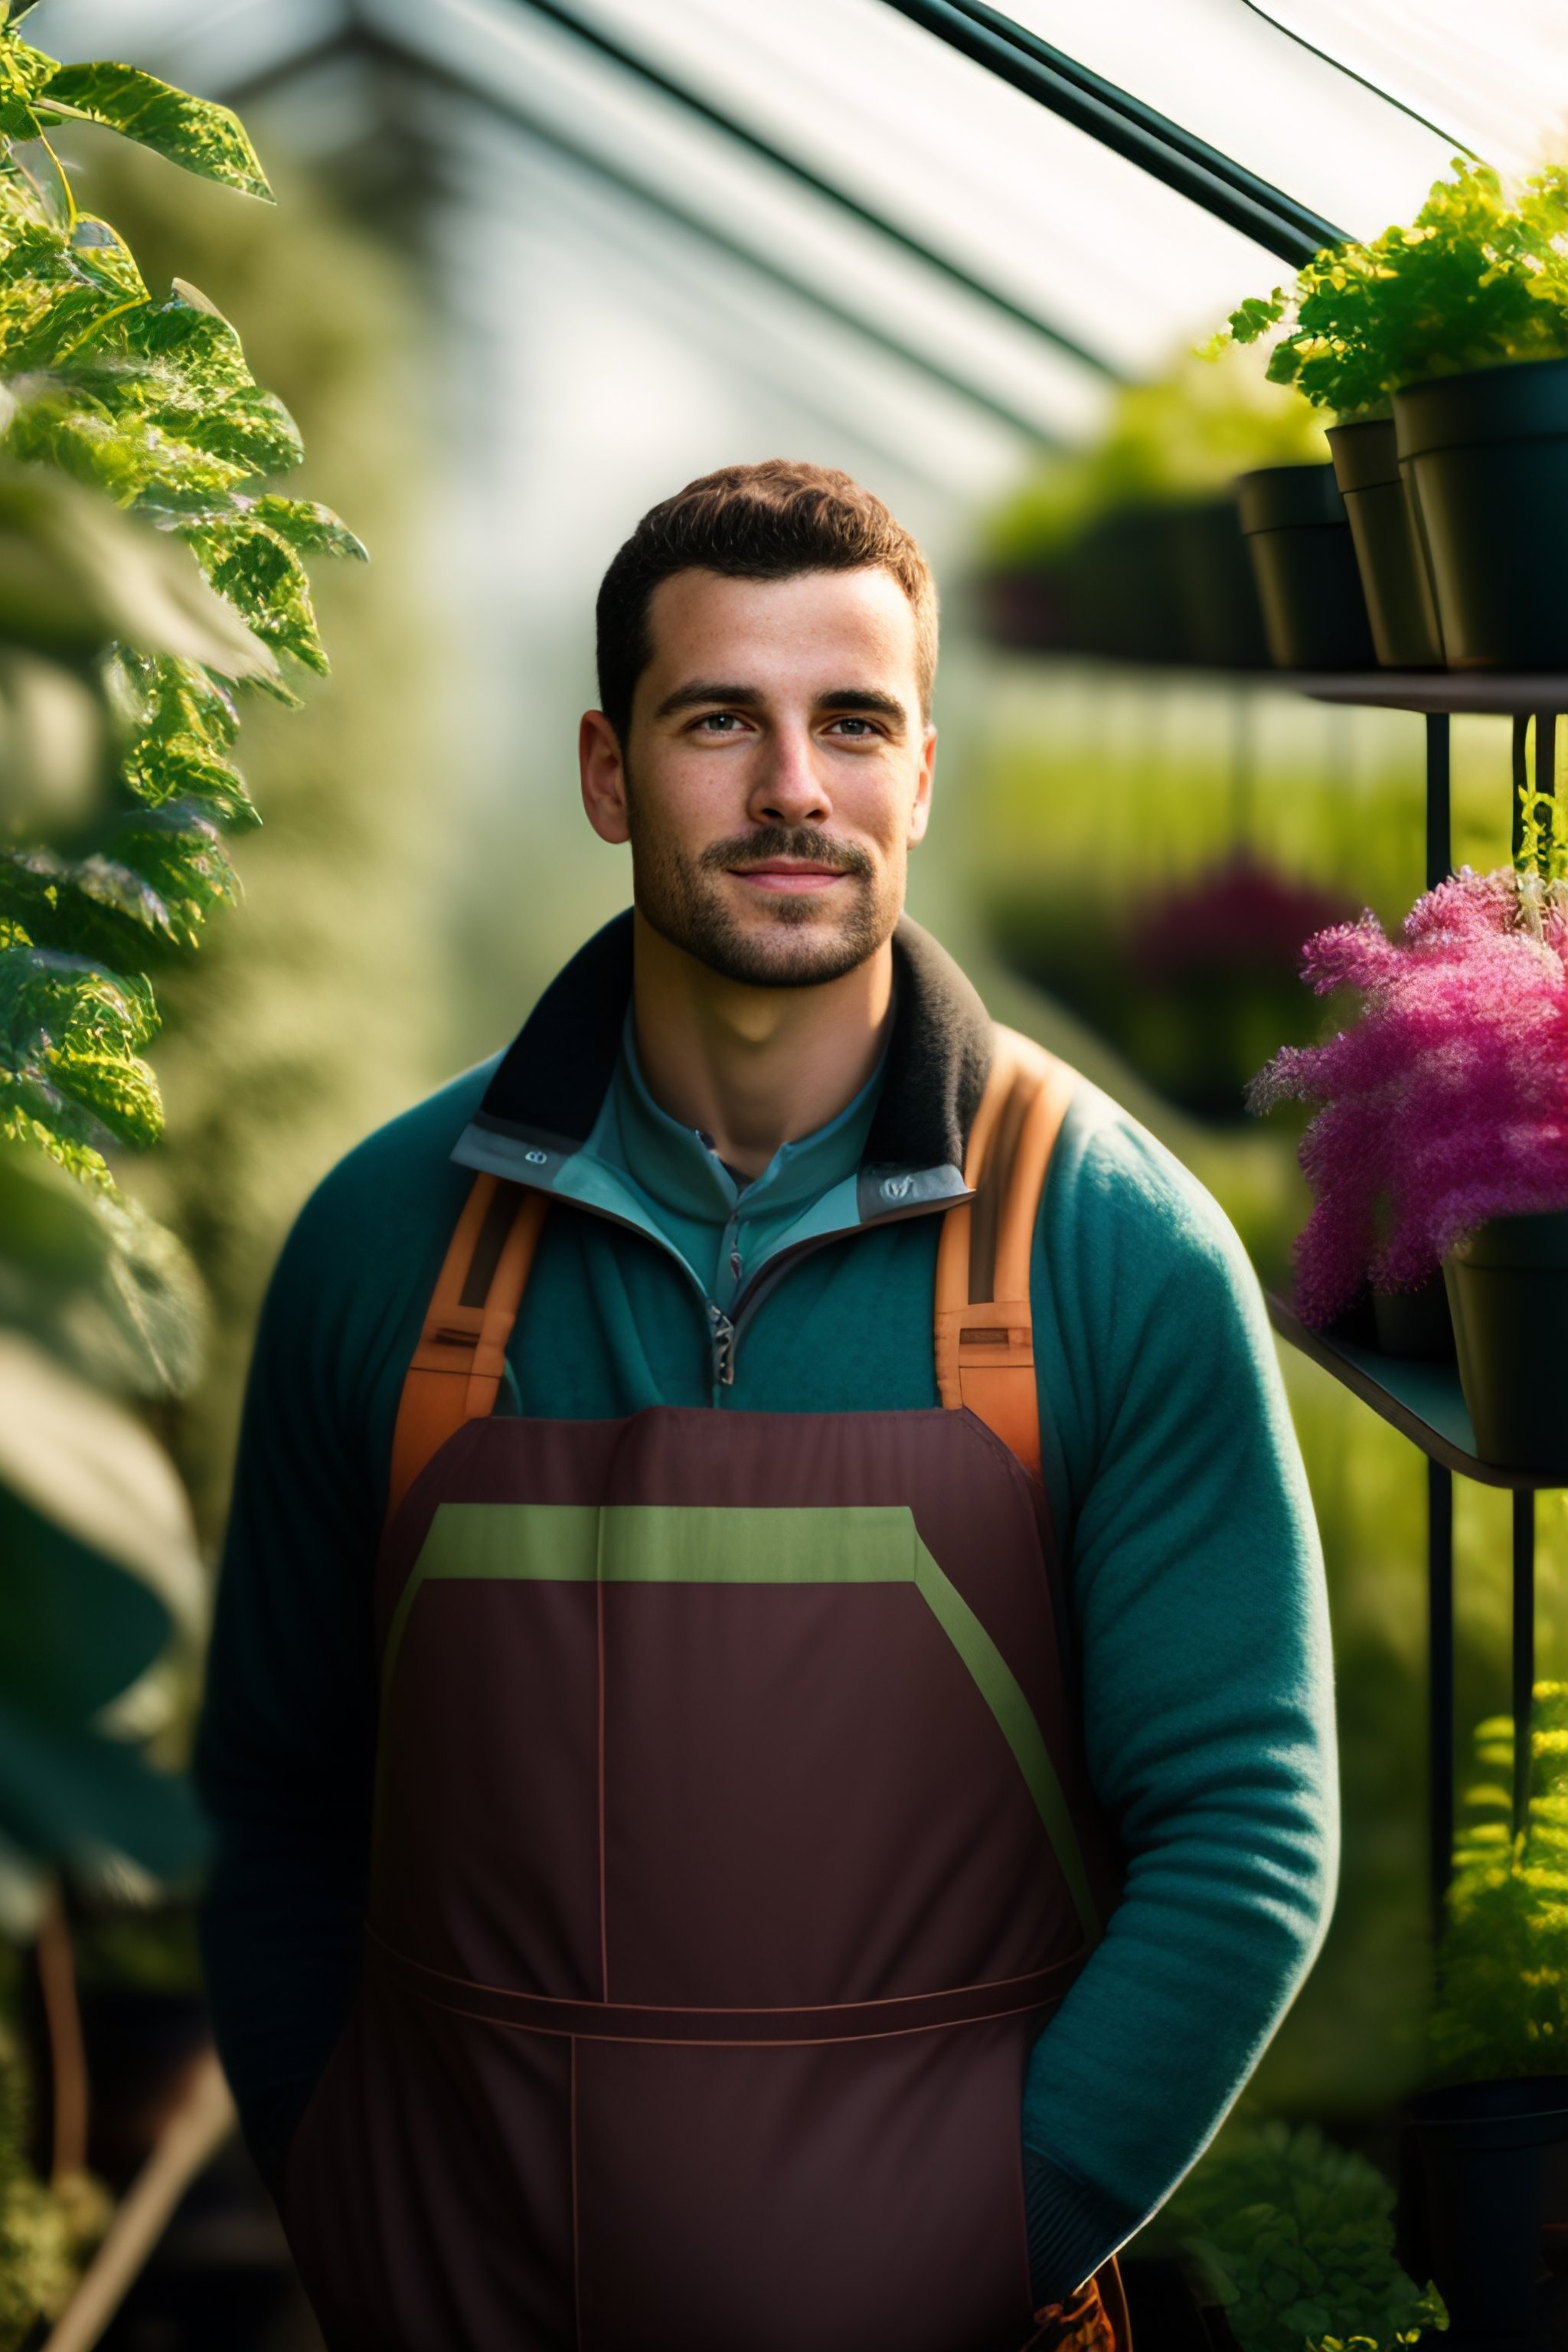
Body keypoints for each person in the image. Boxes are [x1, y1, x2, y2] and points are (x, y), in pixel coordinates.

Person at [198, 459, 1337, 2352]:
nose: (792, 787)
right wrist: (350, 2201)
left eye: (852, 724)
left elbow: (1243, 1835)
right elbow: (275, 1797)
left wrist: (991, 2233)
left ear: (919, 773)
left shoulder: (1107, 1247)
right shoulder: (389, 1245)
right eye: (720, 719)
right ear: (606, 772)